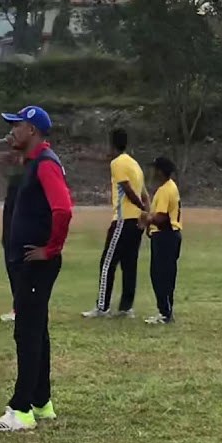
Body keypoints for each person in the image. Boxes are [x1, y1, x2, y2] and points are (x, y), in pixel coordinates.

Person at [0, 105, 73, 432]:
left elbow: (63, 210)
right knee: (37, 329)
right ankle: (41, 401)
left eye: (17, 126)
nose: (12, 131)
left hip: (37, 264)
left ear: (33, 130)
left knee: (27, 332)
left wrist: (50, 250)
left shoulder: (46, 165)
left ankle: (21, 409)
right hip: (27, 264)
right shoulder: (33, 163)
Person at [83, 128, 146, 319]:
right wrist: (146, 213)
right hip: (136, 222)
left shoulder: (117, 163)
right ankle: (126, 308)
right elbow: (144, 192)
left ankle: (102, 307)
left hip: (122, 220)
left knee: (107, 263)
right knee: (129, 264)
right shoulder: (135, 164)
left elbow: (128, 189)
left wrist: (139, 205)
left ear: (112, 144)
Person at [142, 157, 182, 325]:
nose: (153, 172)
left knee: (161, 275)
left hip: (166, 236)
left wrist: (147, 219)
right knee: (163, 274)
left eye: (155, 169)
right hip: (168, 235)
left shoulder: (166, 190)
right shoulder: (169, 187)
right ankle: (165, 311)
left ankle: (165, 313)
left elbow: (162, 218)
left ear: (160, 171)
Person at [0, 134, 23, 323]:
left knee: (18, 266)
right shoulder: (16, 174)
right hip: (10, 228)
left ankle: (20, 308)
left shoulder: (26, 170)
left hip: (17, 230)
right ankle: (19, 306)